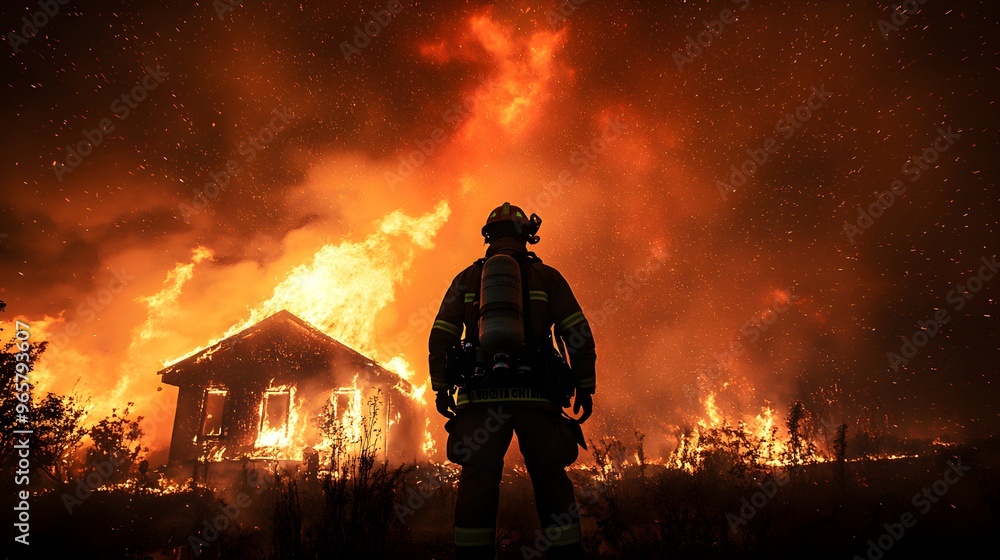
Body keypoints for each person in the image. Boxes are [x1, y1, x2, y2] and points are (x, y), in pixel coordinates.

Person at [428, 202, 597, 559]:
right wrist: (584, 383)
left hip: (479, 396)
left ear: (488, 236)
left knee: (478, 480)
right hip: (536, 396)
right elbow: (577, 333)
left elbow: (441, 334)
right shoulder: (547, 277)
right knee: (550, 476)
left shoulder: (467, 279)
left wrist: (441, 385)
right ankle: (566, 555)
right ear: (527, 235)